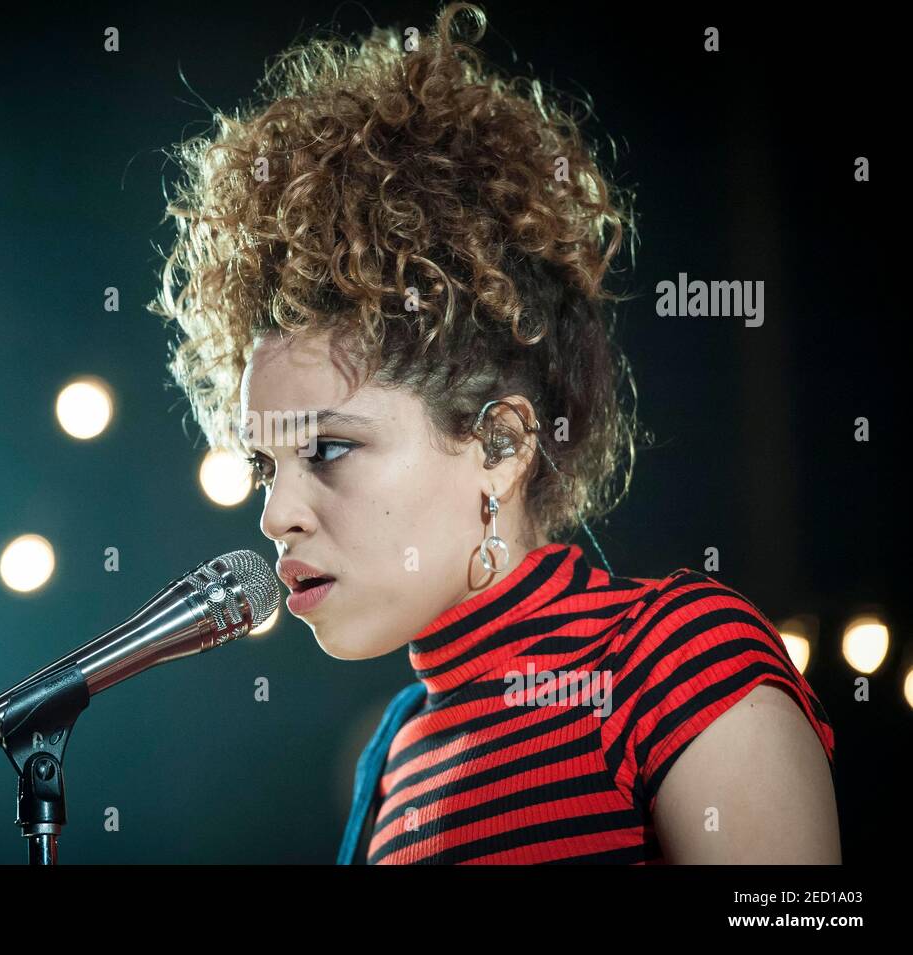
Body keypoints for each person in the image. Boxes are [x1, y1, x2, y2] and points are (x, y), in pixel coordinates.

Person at [147, 2, 839, 863]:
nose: (276, 511)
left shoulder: (674, 660)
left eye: (327, 449)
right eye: (265, 464)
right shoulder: (392, 763)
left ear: (504, 446)